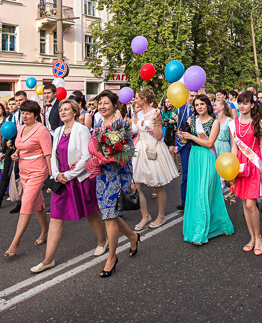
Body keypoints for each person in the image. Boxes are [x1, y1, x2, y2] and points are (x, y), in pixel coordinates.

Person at [32, 100, 107, 273]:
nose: (63, 112)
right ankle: (48, 259)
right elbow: (53, 156)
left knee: (90, 212)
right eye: (61, 110)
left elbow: (87, 155)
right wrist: (57, 174)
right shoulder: (58, 131)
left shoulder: (81, 130)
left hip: (79, 179)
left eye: (66, 109)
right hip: (61, 180)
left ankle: (102, 241)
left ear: (74, 112)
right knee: (56, 218)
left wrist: (69, 175)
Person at [84, 90, 139, 277]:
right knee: (109, 214)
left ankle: (112, 257)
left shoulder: (120, 126)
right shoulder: (98, 126)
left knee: (109, 215)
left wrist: (111, 155)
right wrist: (98, 156)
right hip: (102, 175)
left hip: (117, 175)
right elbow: (93, 147)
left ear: (115, 105)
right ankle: (132, 236)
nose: (102, 106)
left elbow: (128, 153)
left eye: (106, 103)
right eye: (100, 103)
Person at [178, 94, 234, 246]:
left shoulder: (214, 122)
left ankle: (201, 232)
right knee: (195, 193)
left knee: (204, 192)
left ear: (207, 105)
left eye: (202, 104)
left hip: (208, 157)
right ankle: (197, 226)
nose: (199, 107)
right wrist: (182, 136)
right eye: (196, 105)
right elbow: (185, 139)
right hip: (194, 157)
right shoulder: (191, 120)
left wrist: (191, 136)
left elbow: (210, 143)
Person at [4, 100, 51, 257]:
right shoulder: (20, 128)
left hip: (38, 171)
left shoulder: (42, 130)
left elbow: (48, 154)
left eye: (28, 113)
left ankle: (15, 242)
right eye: (23, 112)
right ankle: (45, 231)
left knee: (27, 202)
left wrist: (51, 176)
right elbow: (20, 147)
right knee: (38, 204)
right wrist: (16, 154)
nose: (24, 116)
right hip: (24, 170)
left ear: (36, 115)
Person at [131, 88, 178, 231]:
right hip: (140, 149)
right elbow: (138, 134)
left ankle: (161, 216)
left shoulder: (155, 113)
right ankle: (145, 216)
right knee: (136, 185)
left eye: (137, 97)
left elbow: (158, 136)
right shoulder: (138, 113)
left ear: (144, 99)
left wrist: (151, 123)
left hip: (153, 148)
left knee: (157, 185)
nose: (135, 100)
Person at [230, 91, 262, 255]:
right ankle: (252, 237)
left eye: (245, 103)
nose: (242, 106)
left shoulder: (258, 122)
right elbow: (234, 147)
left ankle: (258, 237)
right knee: (245, 204)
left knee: (251, 204)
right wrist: (230, 168)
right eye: (240, 103)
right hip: (240, 165)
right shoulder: (234, 123)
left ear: (252, 105)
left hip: (254, 164)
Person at [174, 90, 197, 210]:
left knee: (197, 173)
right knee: (186, 173)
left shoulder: (199, 108)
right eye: (191, 96)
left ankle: (196, 200)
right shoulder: (181, 108)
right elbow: (177, 126)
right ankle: (184, 201)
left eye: (195, 96)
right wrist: (176, 143)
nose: (193, 98)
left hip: (197, 144)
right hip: (184, 145)